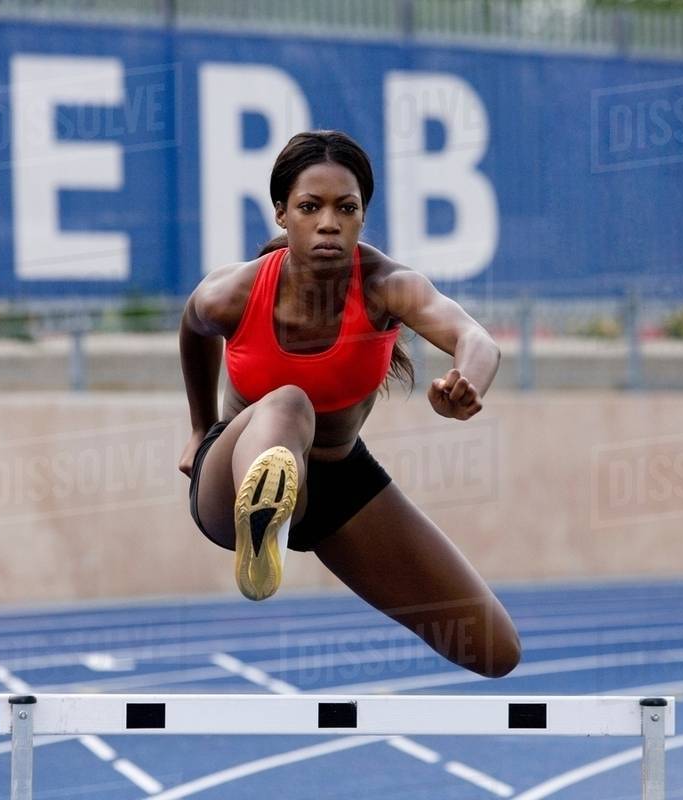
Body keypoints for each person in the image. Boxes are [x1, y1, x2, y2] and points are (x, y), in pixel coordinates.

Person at [178, 130, 520, 678]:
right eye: (309, 207)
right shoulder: (233, 293)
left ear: (363, 217)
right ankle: (264, 520)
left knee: (494, 649)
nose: (329, 223)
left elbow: (474, 337)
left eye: (346, 208)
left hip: (338, 483)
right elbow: (193, 328)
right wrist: (201, 429)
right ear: (281, 214)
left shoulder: (387, 286)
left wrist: (468, 382)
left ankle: (281, 510)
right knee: (290, 404)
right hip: (234, 473)